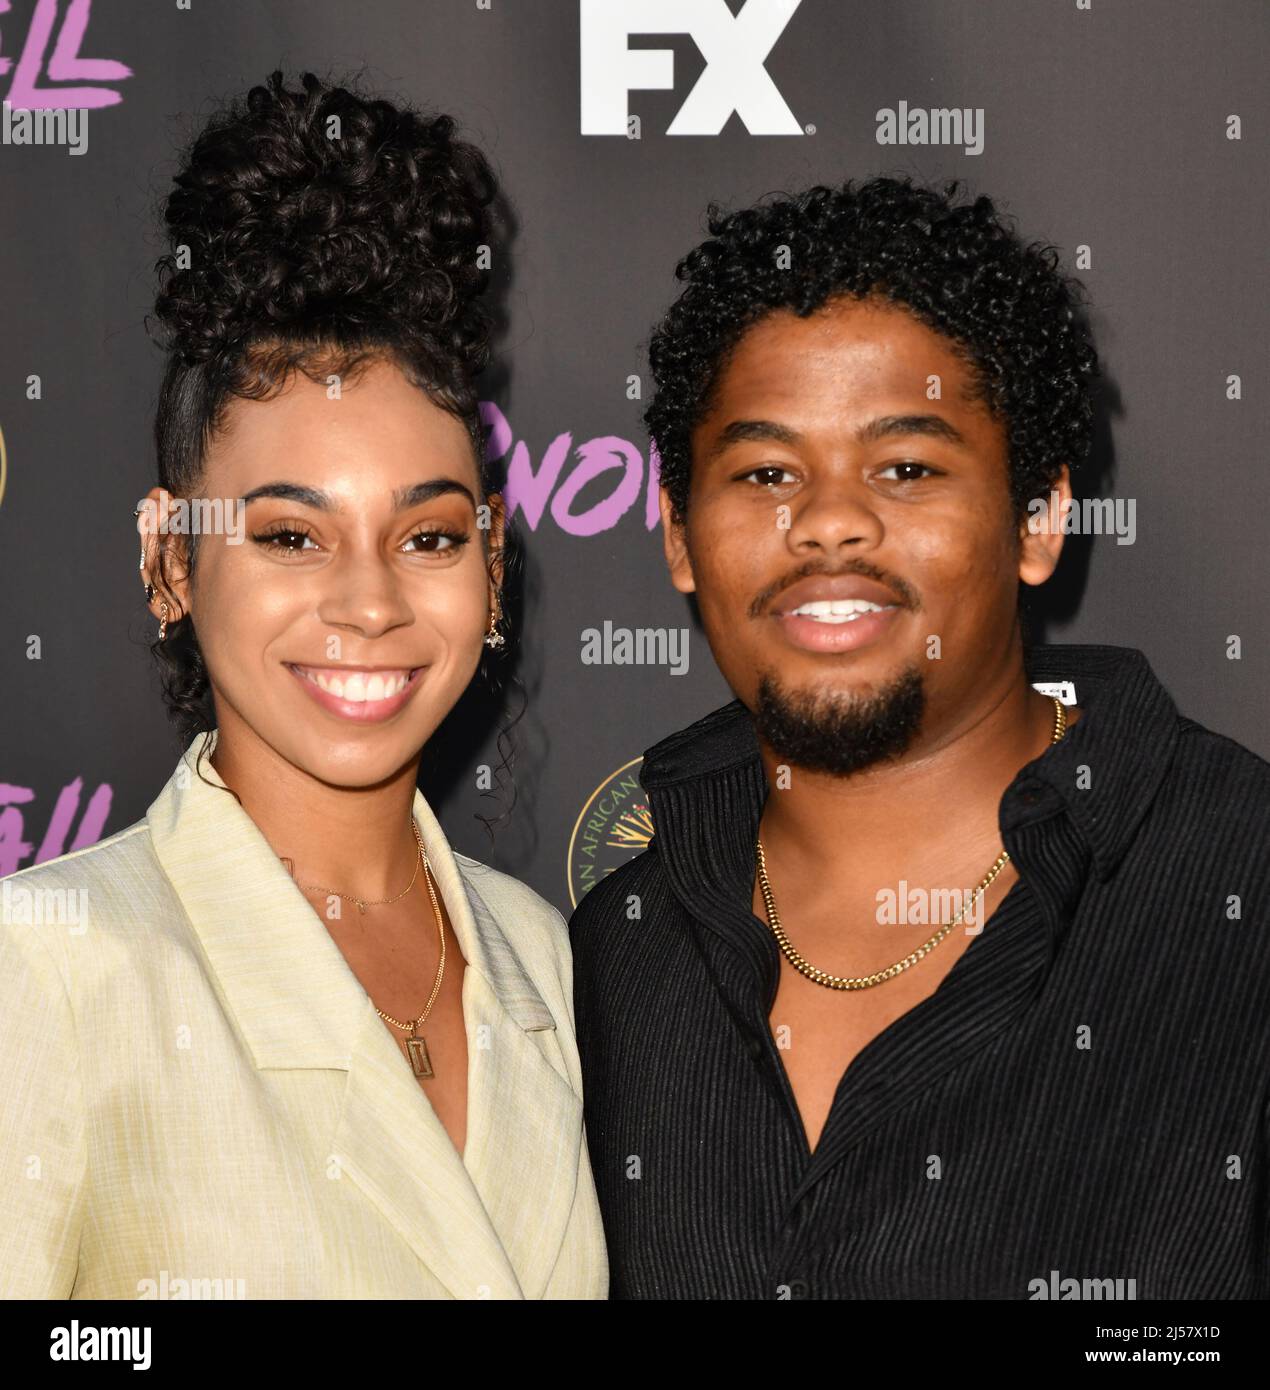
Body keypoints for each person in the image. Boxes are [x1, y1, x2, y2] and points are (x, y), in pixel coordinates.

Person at [569, 174, 1270, 1300]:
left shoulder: (1241, 891)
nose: (829, 521)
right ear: (681, 537)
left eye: (906, 467)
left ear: (1037, 519)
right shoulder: (610, 956)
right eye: (765, 472)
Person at [0, 71, 606, 1300]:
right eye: (289, 535)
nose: (369, 602)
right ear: (170, 559)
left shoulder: (540, 953)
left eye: (428, 535)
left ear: (492, 564)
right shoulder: (49, 967)